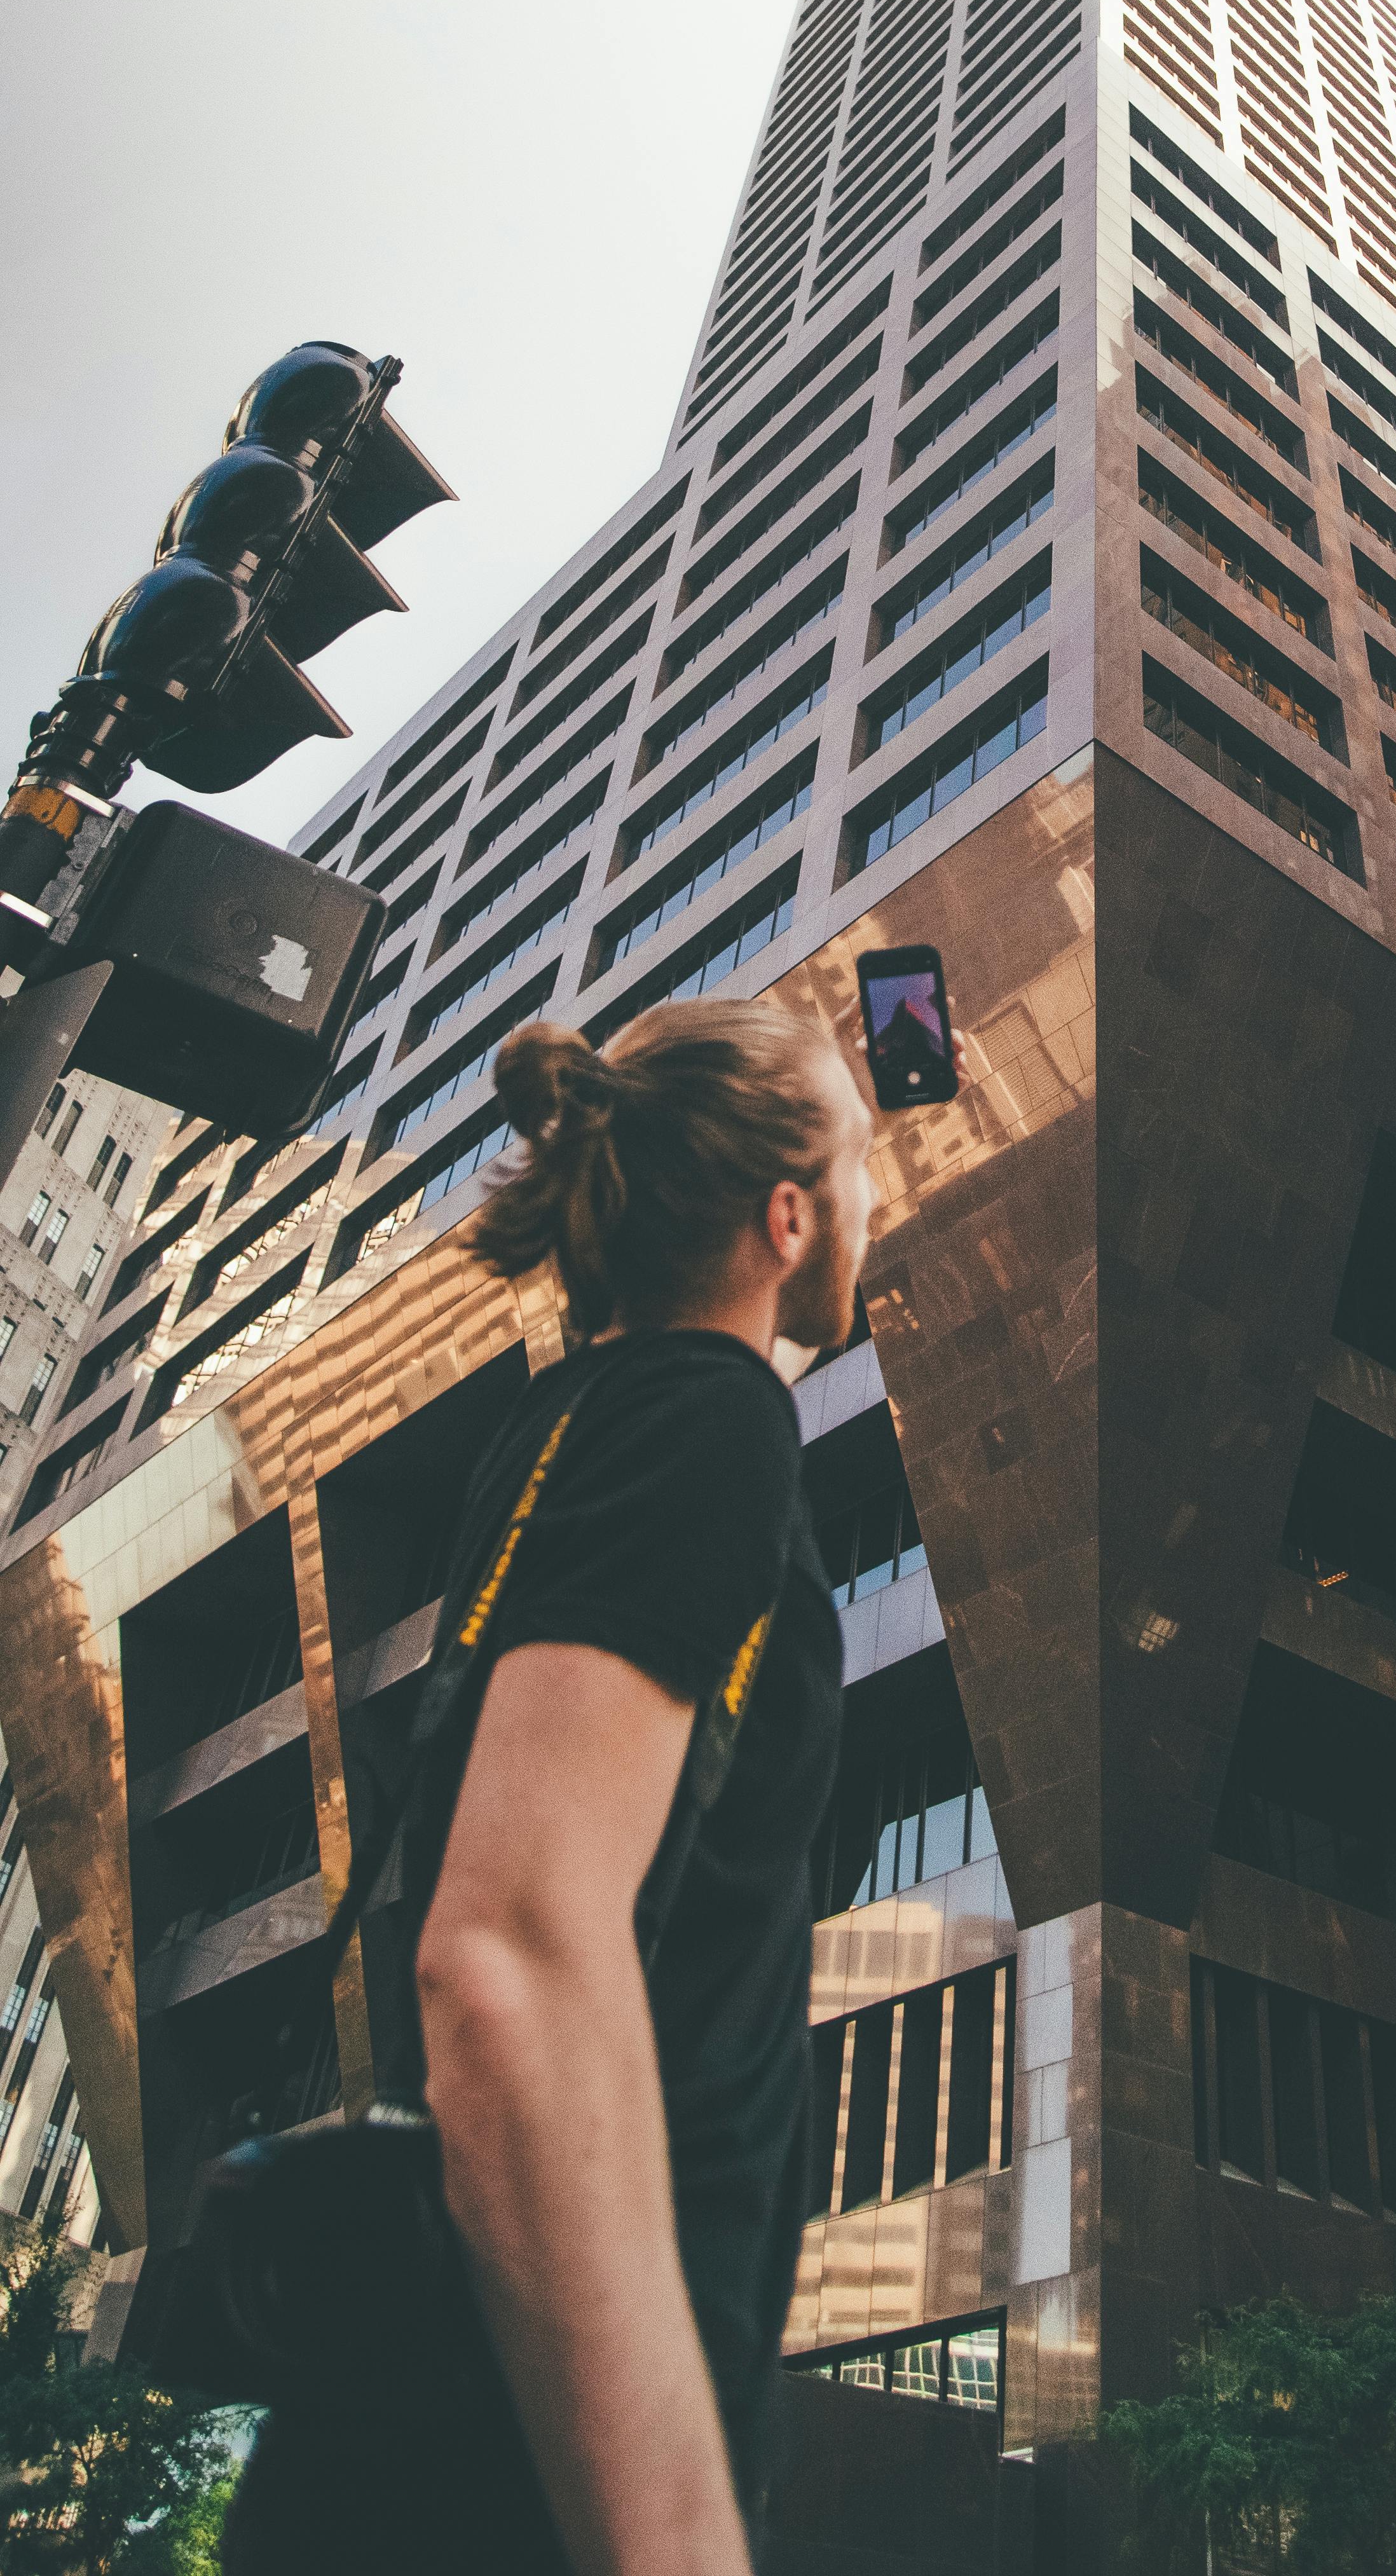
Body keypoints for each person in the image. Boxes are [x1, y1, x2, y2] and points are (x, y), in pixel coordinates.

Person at [224, 989, 884, 2576]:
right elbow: (508, 1953)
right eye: (857, 1165)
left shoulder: (574, 1422)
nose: (880, 1187)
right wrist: (670, 2539)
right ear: (782, 1217)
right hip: (533, 2473)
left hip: (452, 2417)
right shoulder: (710, 1422)